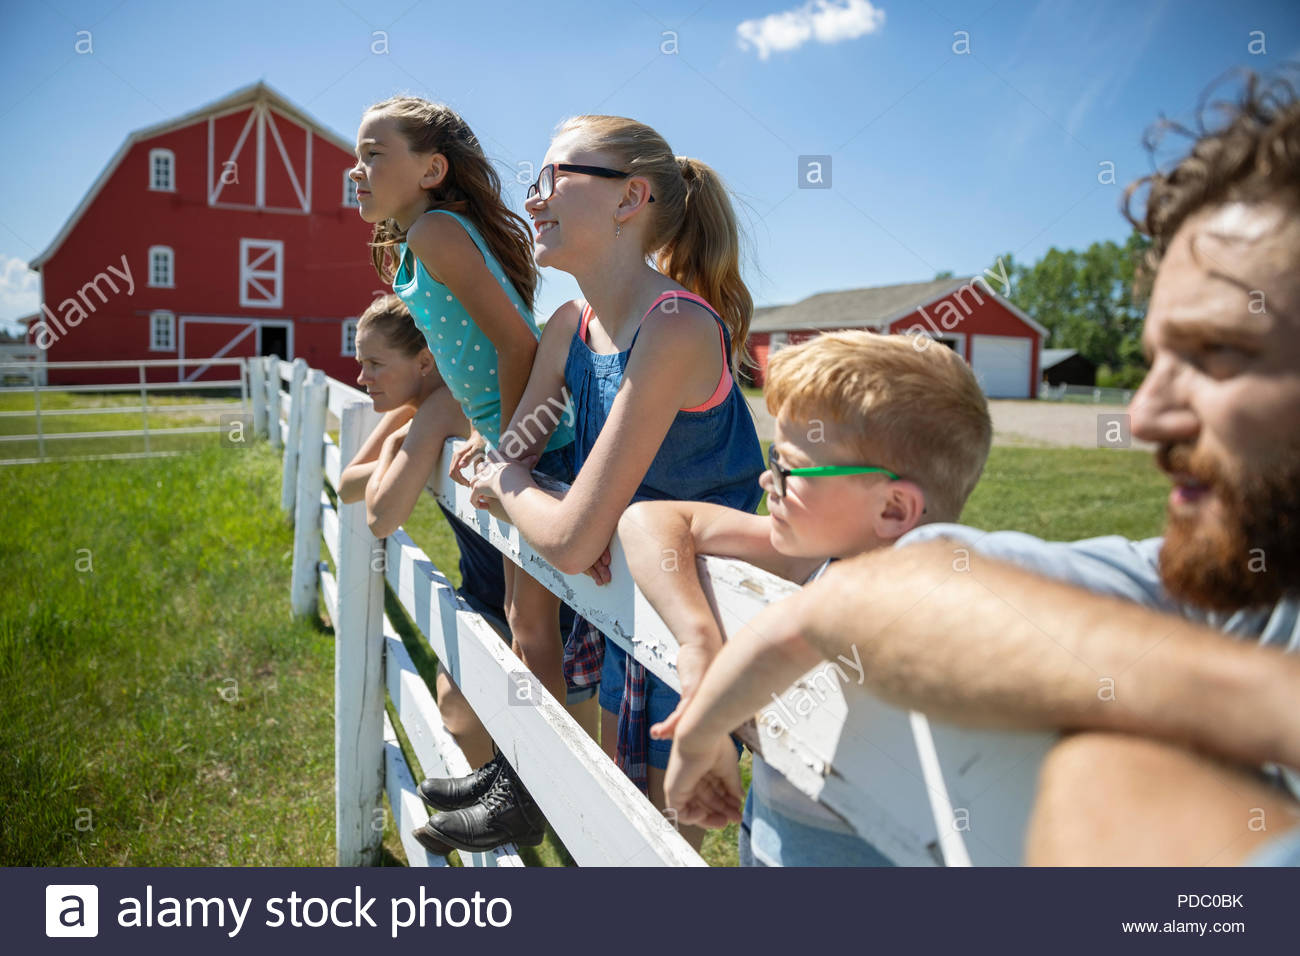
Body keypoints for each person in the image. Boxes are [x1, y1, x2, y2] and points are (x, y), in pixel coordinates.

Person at [663, 69, 1300, 866]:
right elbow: (877, 592)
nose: (1141, 417)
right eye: (1154, 361)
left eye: (1221, 354)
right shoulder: (1234, 594)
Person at [430, 114, 764, 851]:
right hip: (635, 605)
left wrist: (509, 480)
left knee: (659, 839)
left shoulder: (674, 328)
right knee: (623, 818)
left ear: (628, 199)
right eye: (535, 181)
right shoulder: (567, 326)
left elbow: (573, 538)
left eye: (557, 177)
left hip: (704, 620)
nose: (535, 199)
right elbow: (516, 444)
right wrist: (497, 457)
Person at [620, 330, 991, 865]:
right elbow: (647, 522)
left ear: (892, 510)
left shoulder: (934, 603)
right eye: (774, 455)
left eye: (791, 468)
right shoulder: (816, 551)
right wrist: (698, 639)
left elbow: (812, 626)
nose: (769, 477)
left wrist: (708, 723)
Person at [345, 96, 593, 852]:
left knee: (530, 625)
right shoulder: (421, 241)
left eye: (373, 154)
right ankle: (515, 773)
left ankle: (530, 789)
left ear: (430, 168)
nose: (358, 171)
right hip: (521, 435)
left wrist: (512, 447)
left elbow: (518, 345)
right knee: (525, 625)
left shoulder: (437, 231)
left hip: (544, 441)